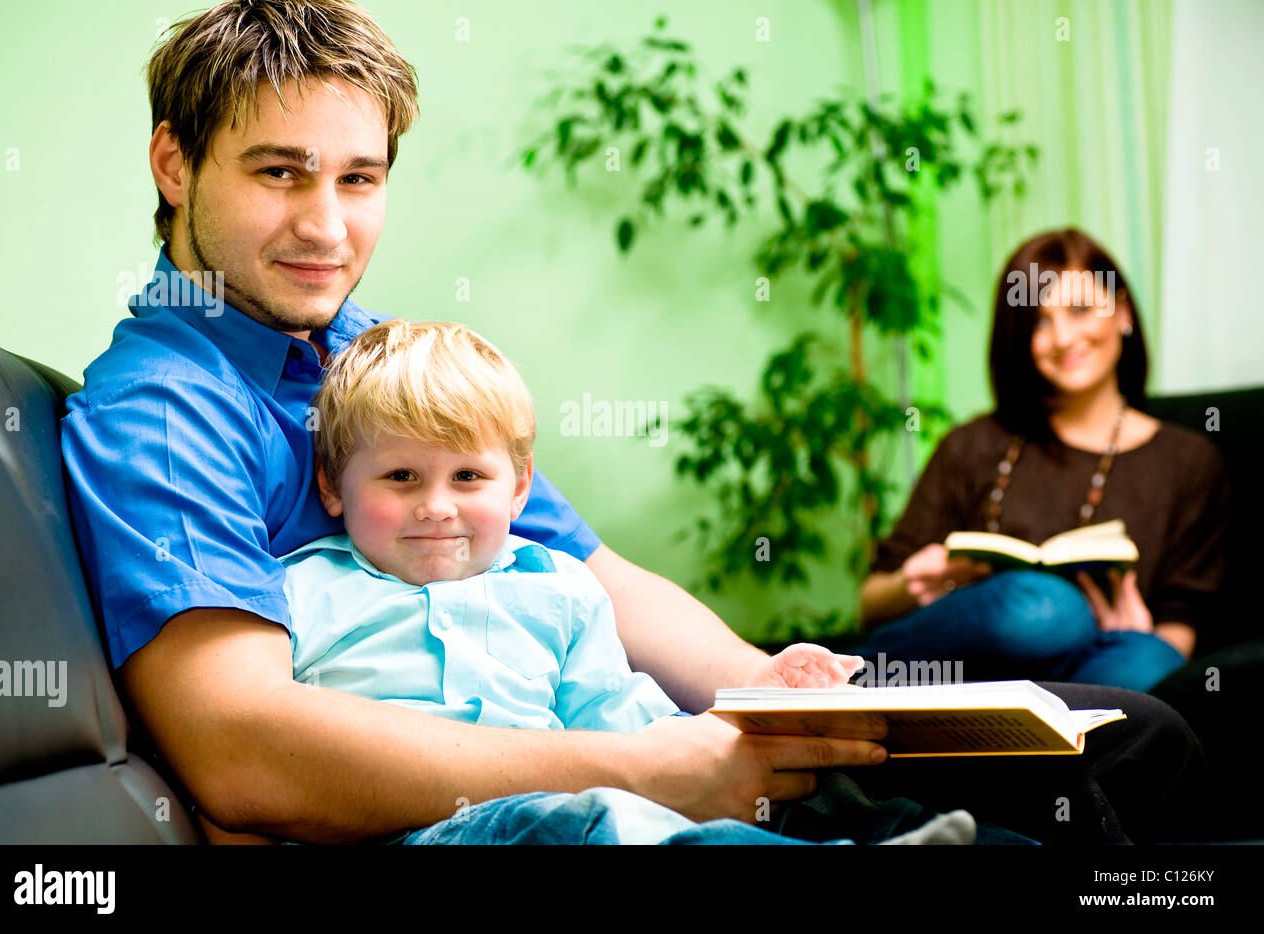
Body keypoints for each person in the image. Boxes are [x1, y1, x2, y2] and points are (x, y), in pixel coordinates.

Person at [59, 0, 1205, 846]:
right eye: (279, 173)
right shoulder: (166, 411)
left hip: (638, 734)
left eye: (359, 179)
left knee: (1130, 730)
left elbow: (599, 575)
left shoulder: (374, 353)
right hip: (565, 797)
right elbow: (245, 746)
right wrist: (657, 767)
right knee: (1096, 765)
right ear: (173, 161)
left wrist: (775, 696)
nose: (326, 225)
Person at [278, 317, 999, 845]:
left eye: (468, 476)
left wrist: (756, 695)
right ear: (332, 487)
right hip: (414, 832)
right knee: (596, 819)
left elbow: (620, 717)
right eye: (400, 477)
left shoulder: (557, 588)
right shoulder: (301, 589)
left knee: (679, 822)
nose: (437, 506)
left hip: (589, 805)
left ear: (521, 488)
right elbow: (271, 747)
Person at [856, 229, 1229, 693]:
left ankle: (1025, 733)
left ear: (1124, 313)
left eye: (1079, 310)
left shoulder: (1189, 462)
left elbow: (1181, 625)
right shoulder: (972, 445)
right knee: (1049, 610)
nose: (1063, 338)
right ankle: (850, 675)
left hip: (1093, 668)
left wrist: (1138, 635)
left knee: (1149, 659)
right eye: (1038, 322)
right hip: (960, 665)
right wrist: (908, 586)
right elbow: (869, 605)